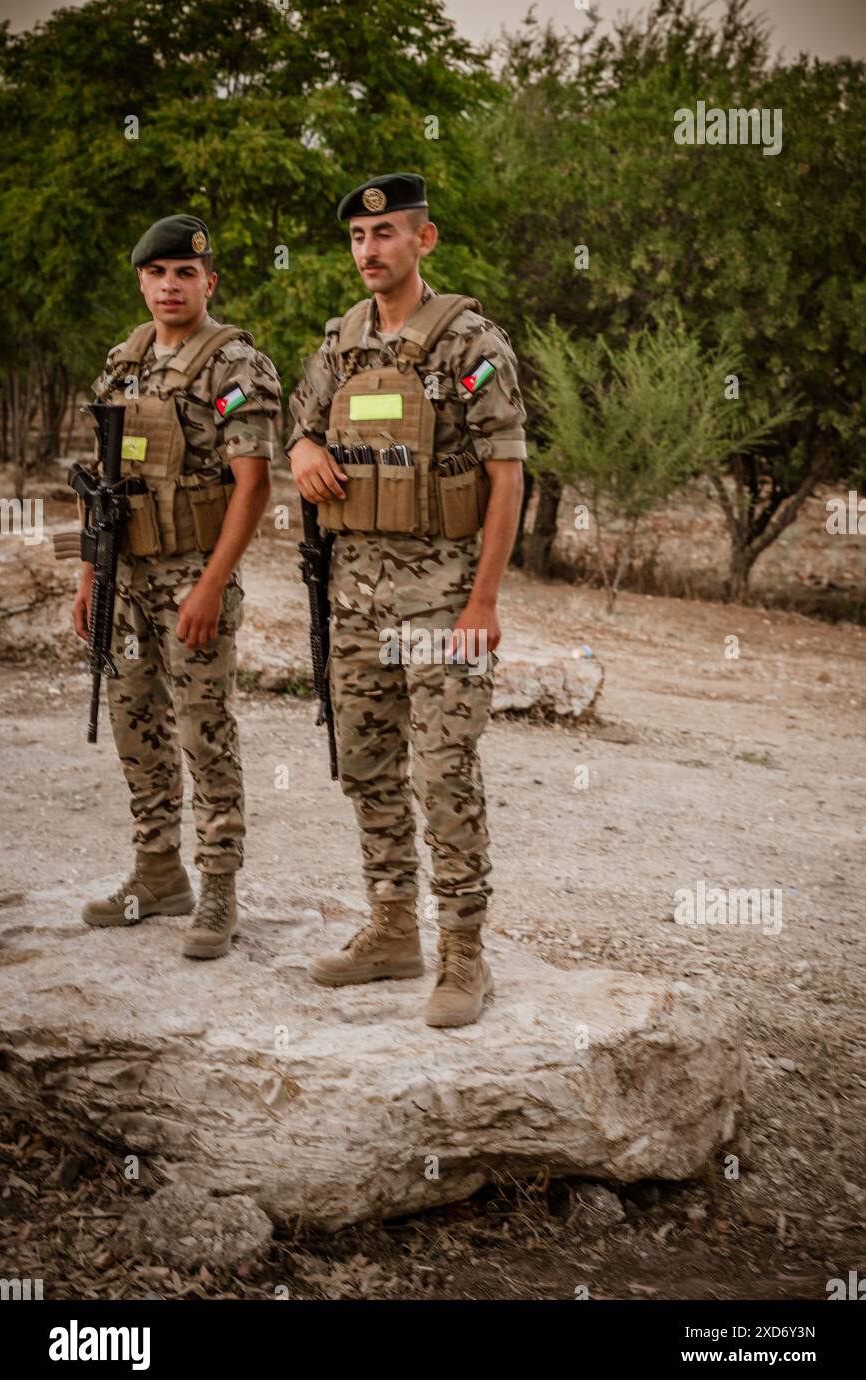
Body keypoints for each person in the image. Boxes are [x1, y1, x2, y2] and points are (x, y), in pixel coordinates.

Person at [287, 173, 526, 1027]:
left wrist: (483, 604)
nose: (368, 251)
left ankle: (464, 956)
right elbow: (301, 421)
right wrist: (302, 451)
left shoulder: (468, 344)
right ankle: (392, 929)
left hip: (442, 600)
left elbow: (507, 478)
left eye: (385, 234)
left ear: (422, 241)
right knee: (365, 767)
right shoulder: (342, 342)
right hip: (354, 598)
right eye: (357, 237)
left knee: (444, 772)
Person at [73, 214, 281, 959]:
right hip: (125, 573)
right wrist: (91, 576)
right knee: (135, 723)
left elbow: (253, 486)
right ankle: (158, 871)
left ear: (208, 282)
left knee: (205, 729)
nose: (170, 286)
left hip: (194, 574)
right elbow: (98, 481)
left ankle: (218, 884)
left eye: (185, 274)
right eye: (158, 274)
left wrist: (211, 587)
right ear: (141, 281)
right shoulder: (122, 364)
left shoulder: (234, 365)